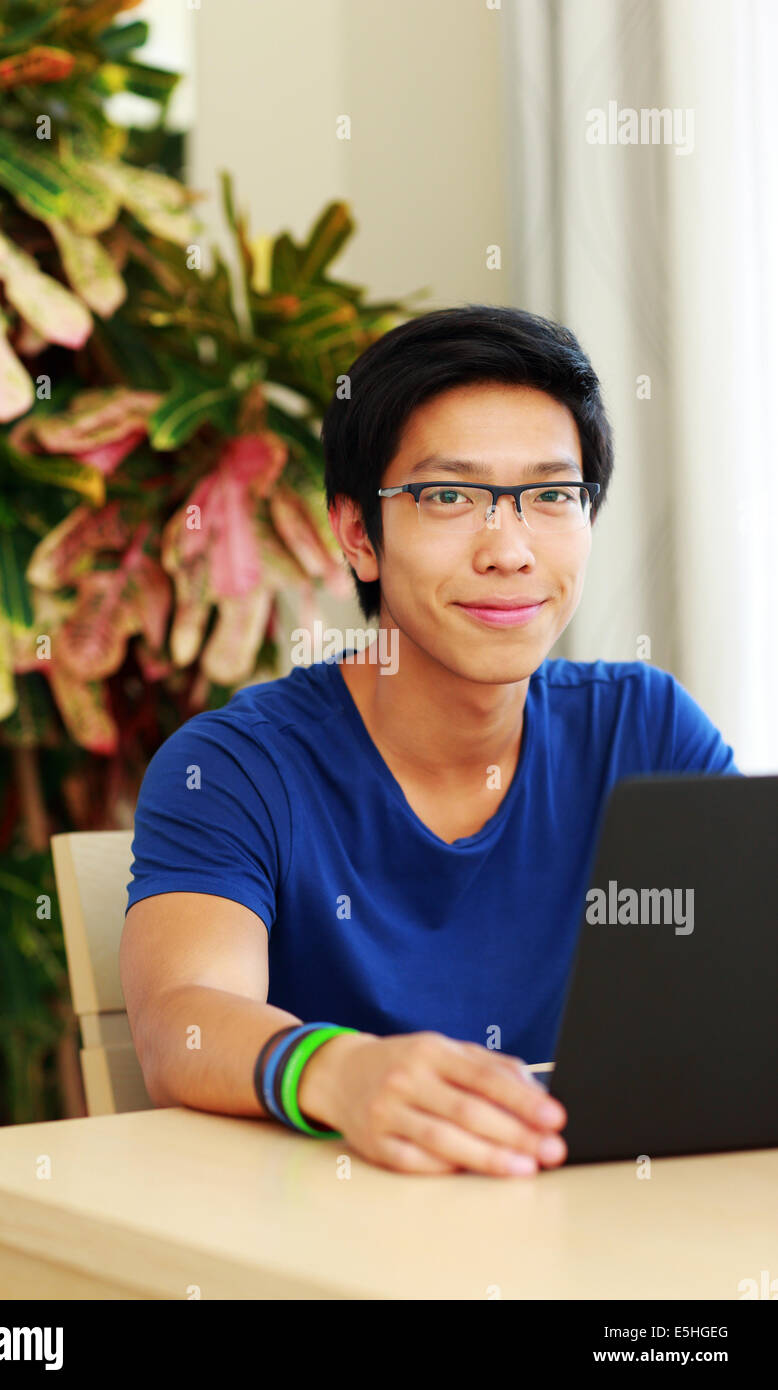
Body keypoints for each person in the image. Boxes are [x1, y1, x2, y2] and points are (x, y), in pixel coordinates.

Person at [120, 305, 738, 1177]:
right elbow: (181, 1020)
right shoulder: (232, 767)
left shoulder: (646, 729)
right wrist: (341, 1071)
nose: (510, 549)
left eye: (552, 496)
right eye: (449, 496)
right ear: (358, 535)